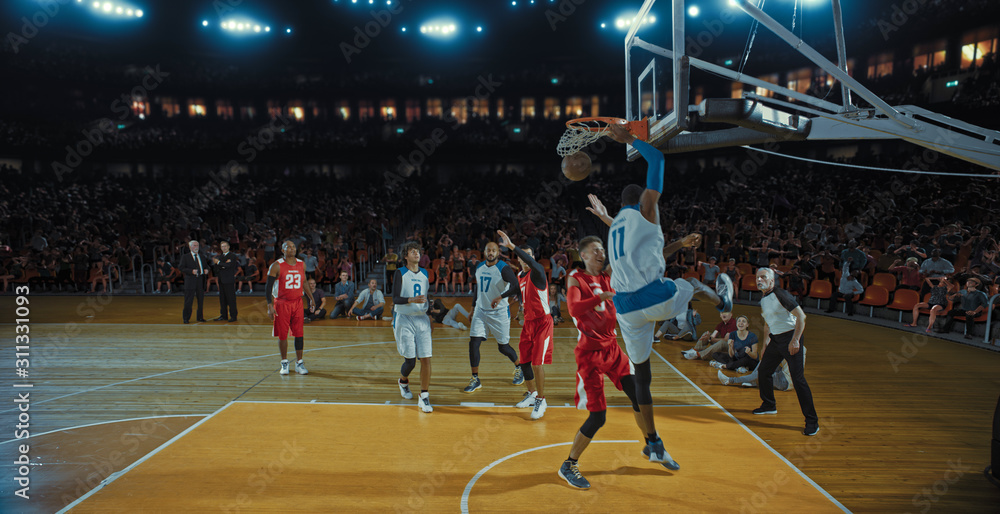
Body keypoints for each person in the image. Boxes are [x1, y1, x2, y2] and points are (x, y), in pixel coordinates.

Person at [584, 122, 733, 465]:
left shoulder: (616, 228)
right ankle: (723, 301)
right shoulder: (646, 211)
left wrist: (608, 218)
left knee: (642, 376)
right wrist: (631, 138)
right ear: (642, 201)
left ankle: (652, 441)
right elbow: (658, 162)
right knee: (691, 284)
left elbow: (651, 254)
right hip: (653, 297)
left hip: (626, 310)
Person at [558, 235, 677, 490]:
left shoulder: (608, 276)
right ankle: (569, 464)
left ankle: (652, 445)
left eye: (603, 249)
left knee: (637, 393)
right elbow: (573, 309)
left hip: (612, 348)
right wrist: (600, 299)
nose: (602, 253)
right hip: (589, 356)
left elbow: (640, 255)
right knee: (598, 417)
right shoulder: (575, 278)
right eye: (596, 250)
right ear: (585, 255)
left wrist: (677, 245)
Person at [752, 268, 820, 436]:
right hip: (776, 340)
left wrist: (795, 340)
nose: (759, 280)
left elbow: (801, 317)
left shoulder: (780, 294)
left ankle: (812, 422)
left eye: (763, 277)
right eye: (757, 277)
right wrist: (765, 344)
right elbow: (768, 323)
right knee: (764, 371)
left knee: (798, 380)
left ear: (772, 280)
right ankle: (769, 405)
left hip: (791, 338)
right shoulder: (764, 298)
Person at [498, 230, 554, 420]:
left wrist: (512, 246)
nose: (527, 259)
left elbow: (531, 262)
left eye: (530, 255)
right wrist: (501, 297)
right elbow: (516, 288)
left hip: (543, 323)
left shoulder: (538, 272)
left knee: (538, 364)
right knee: (524, 362)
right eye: (525, 256)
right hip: (528, 324)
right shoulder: (522, 276)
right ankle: (531, 394)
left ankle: (541, 399)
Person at [463, 241, 522, 393]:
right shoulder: (479, 267)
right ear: (484, 252)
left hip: (499, 312)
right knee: (474, 342)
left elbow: (516, 286)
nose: (491, 252)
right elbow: (478, 287)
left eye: (494, 250)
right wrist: (472, 308)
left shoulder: (504, 268)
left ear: (498, 252)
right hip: (481, 311)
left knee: (503, 347)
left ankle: (519, 366)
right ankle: (475, 378)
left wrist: (500, 297)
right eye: (488, 250)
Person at [392, 242, 434, 413]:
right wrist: (411, 299)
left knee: (426, 358)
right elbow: (395, 298)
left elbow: (426, 295)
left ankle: (424, 396)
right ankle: (403, 381)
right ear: (405, 256)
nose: (417, 253)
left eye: (418, 251)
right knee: (410, 361)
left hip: (422, 319)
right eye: (412, 251)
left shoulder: (425, 273)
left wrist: (429, 310)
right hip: (404, 318)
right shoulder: (400, 273)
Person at [267, 240, 316, 375]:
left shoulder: (301, 264)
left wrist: (311, 298)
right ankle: (284, 362)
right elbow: (268, 287)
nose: (292, 248)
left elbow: (304, 282)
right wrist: (269, 305)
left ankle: (299, 363)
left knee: (299, 333)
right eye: (288, 247)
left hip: (297, 302)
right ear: (283, 250)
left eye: (293, 246)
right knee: (283, 334)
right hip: (281, 303)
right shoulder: (276, 266)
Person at [180, 240, 208, 324]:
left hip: (200, 280)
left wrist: (207, 270)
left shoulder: (202, 256)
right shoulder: (185, 257)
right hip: (190, 281)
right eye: (194, 245)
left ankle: (200, 317)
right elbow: (181, 267)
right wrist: (191, 271)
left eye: (197, 245)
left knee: (200, 300)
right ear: (190, 247)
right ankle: (186, 318)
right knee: (188, 300)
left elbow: (207, 266)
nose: (196, 247)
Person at [212, 241, 239, 322]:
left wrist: (220, 263)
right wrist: (223, 265)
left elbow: (229, 266)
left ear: (228, 247)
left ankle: (233, 316)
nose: (224, 248)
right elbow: (216, 268)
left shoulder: (232, 256)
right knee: (222, 299)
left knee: (231, 299)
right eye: (222, 246)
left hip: (229, 280)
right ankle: (223, 315)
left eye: (225, 246)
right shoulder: (220, 256)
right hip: (221, 280)